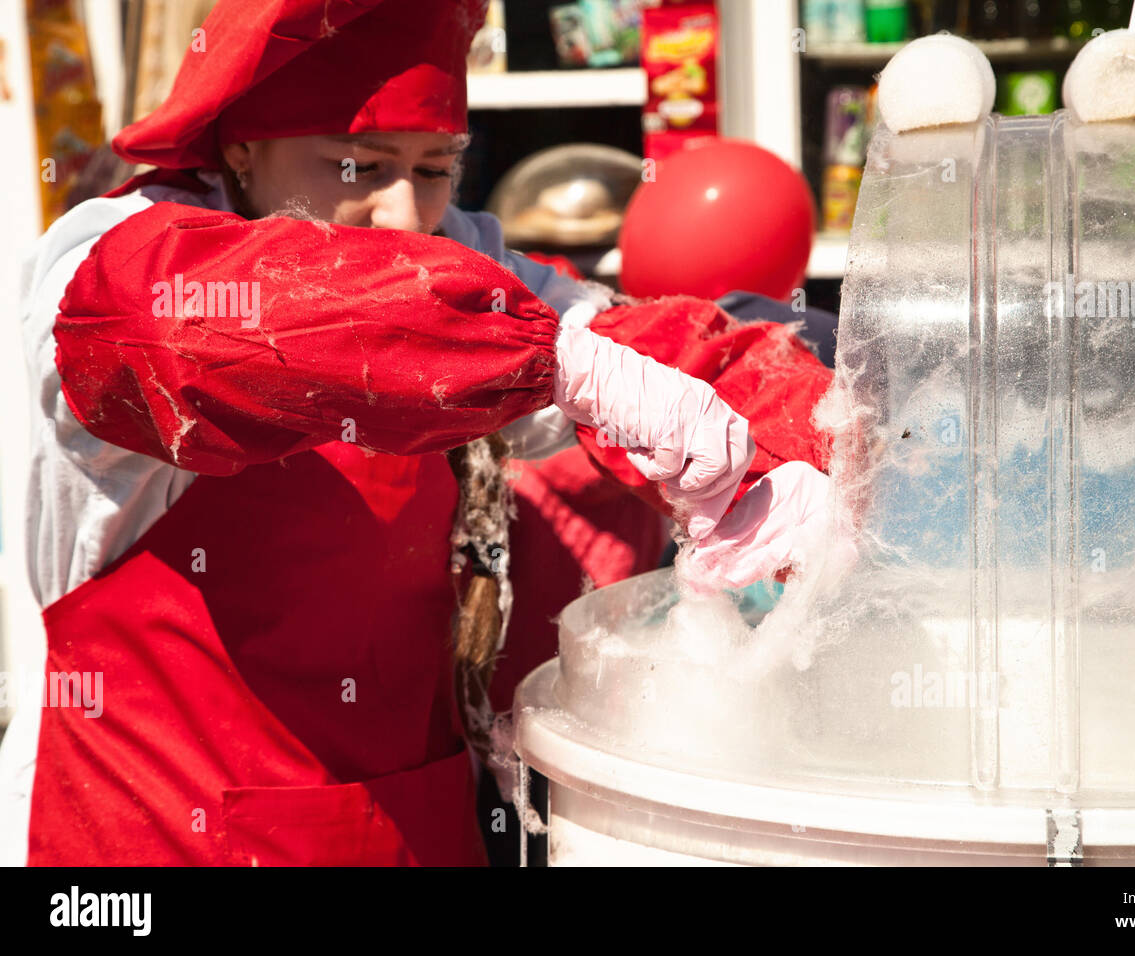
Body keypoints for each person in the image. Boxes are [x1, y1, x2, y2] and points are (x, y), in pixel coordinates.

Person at [0, 0, 832, 865]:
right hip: (161, 831)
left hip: (405, 823)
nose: (402, 215)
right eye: (356, 165)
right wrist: (545, 364)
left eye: (436, 168)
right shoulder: (112, 261)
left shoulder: (463, 256)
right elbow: (184, 335)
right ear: (240, 150)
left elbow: (663, 348)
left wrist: (805, 453)